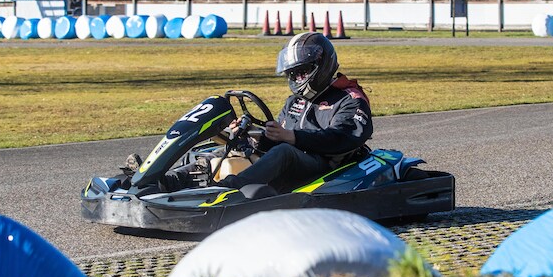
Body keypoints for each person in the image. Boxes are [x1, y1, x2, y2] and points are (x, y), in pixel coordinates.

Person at [126, 32, 372, 194]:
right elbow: (277, 139)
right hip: (294, 159)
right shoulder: (294, 101)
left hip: (327, 167)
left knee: (285, 152)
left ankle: (226, 192)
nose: (297, 79)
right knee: (219, 149)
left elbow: (344, 138)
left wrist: (291, 138)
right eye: (293, 74)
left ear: (321, 66)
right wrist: (255, 136)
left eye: (302, 71)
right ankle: (163, 181)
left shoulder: (349, 98)